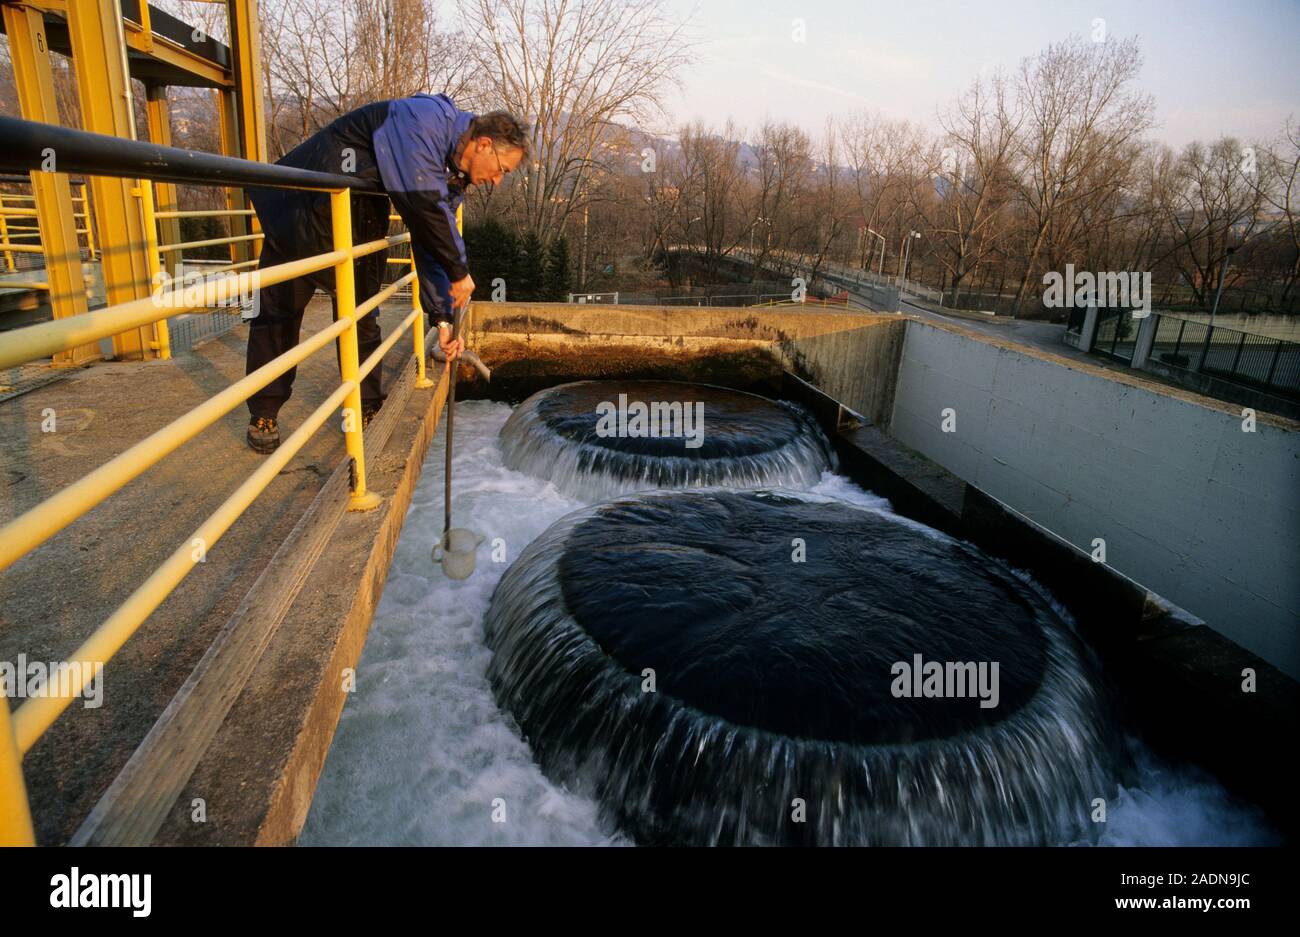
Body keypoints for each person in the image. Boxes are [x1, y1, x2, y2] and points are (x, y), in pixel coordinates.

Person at [243, 94, 529, 453]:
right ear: (484, 144)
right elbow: (425, 208)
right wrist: (459, 272)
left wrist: (442, 319)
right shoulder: (422, 120)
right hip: (303, 204)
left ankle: (366, 404)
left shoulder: (451, 170)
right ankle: (264, 412)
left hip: (355, 213)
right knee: (278, 313)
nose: (498, 181)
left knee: (362, 314)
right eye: (503, 169)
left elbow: (431, 238)